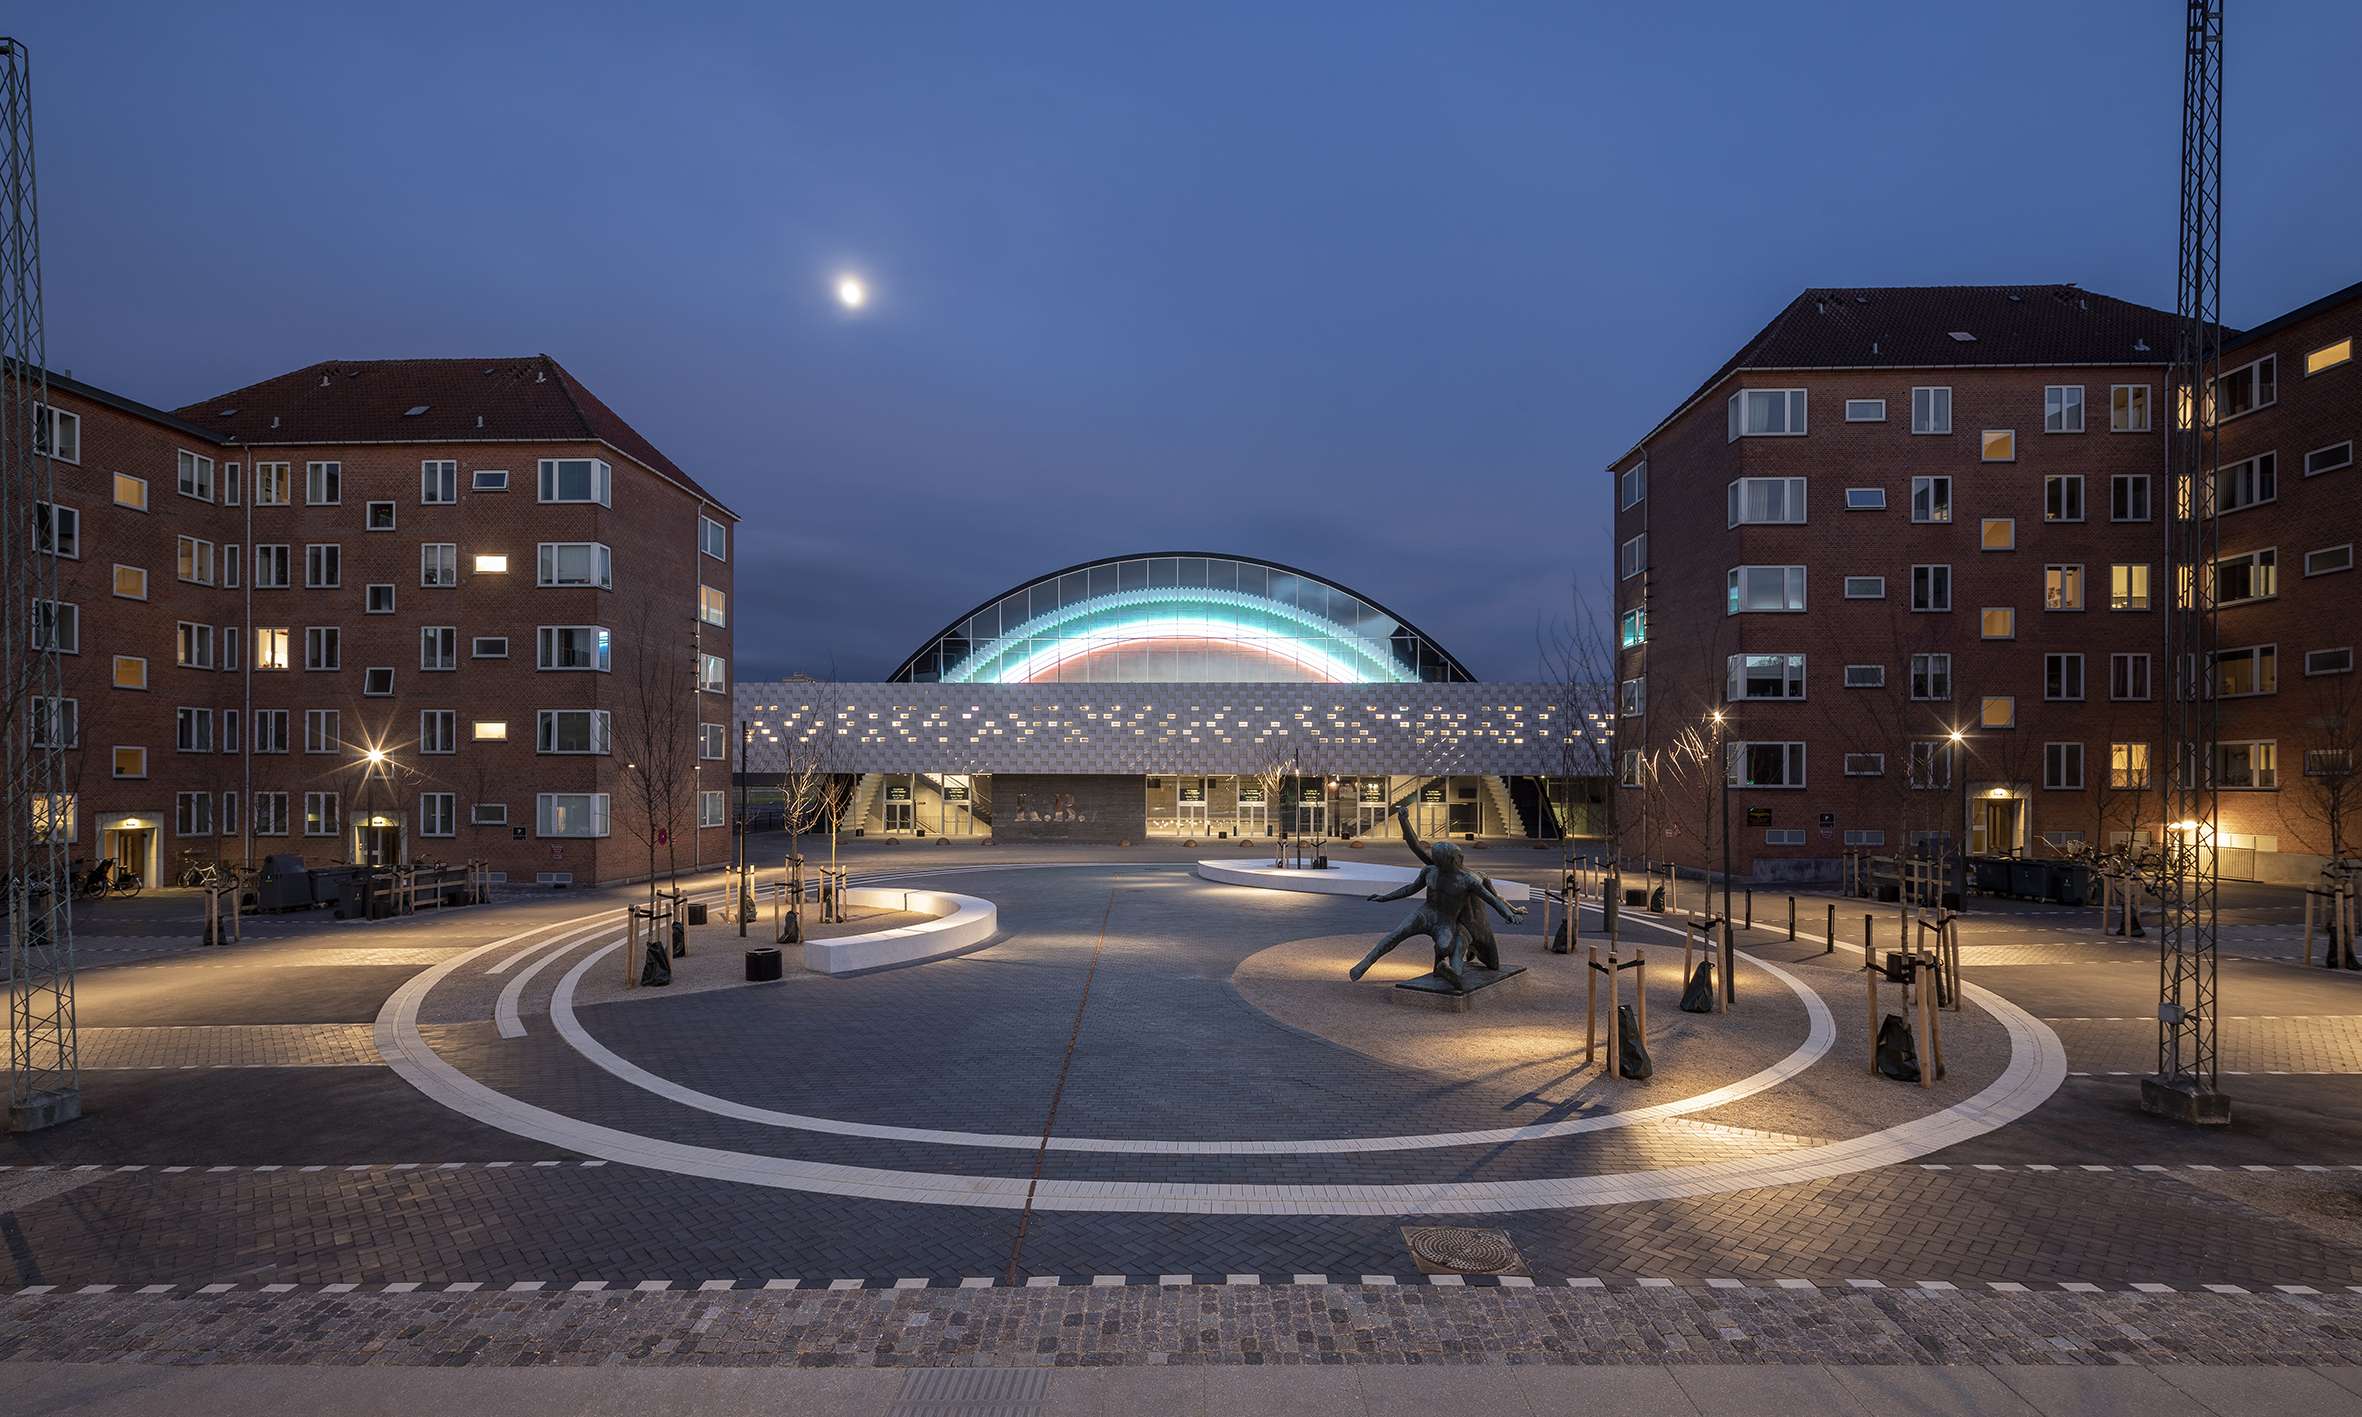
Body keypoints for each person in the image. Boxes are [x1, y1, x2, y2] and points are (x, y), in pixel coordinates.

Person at [1350, 805, 1525, 988]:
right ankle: (1364, 964)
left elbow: (1492, 899)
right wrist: (1385, 897)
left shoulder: (1467, 880)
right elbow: (1410, 887)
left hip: (1445, 920)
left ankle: (1444, 969)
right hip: (1425, 913)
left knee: (1444, 948)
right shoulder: (1431, 871)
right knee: (1397, 934)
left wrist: (1509, 914)